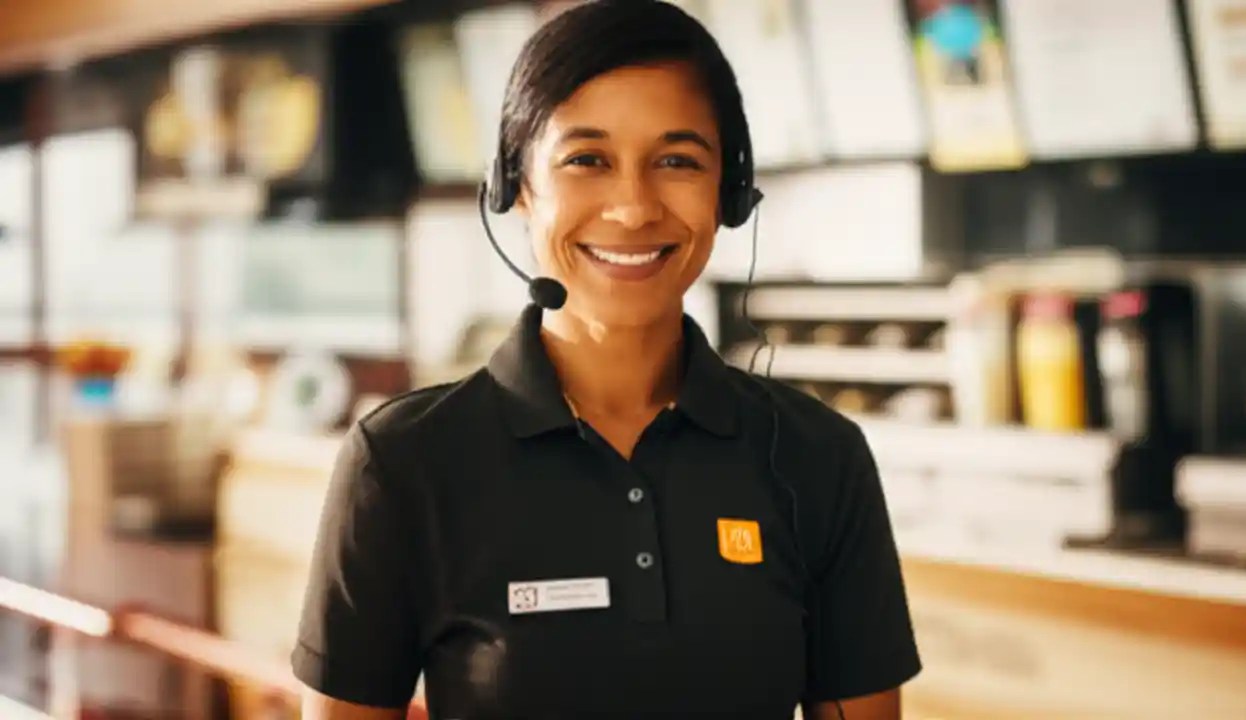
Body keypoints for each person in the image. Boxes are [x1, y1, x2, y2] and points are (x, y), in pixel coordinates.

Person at [293, 2, 921, 718]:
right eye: (586, 160)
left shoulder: (819, 457)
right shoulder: (402, 462)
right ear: (517, 188)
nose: (632, 207)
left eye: (677, 161)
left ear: (731, 193)